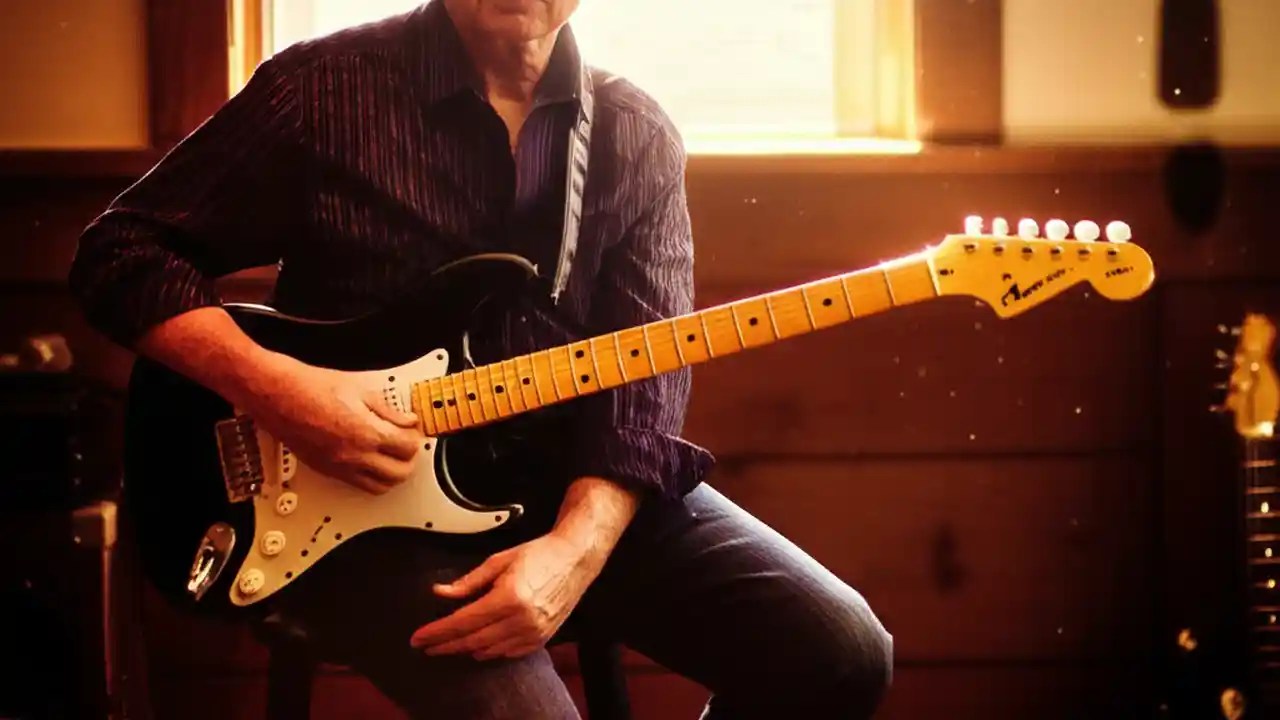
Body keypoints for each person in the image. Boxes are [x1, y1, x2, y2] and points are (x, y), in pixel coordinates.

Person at [68, 0, 893, 717]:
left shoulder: (634, 135)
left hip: (575, 488)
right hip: (359, 506)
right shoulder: (322, 89)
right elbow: (119, 254)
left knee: (840, 652)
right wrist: (283, 392)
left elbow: (644, 383)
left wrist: (577, 547)